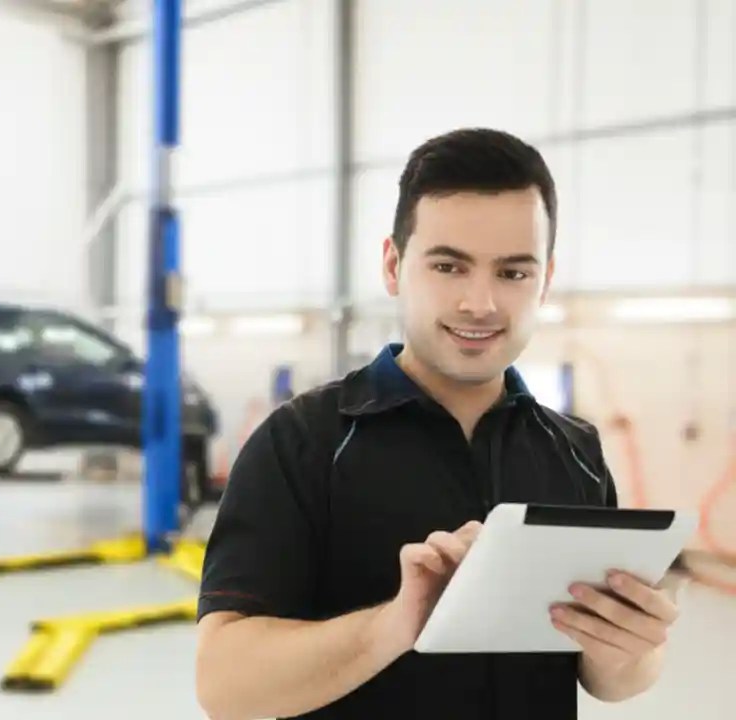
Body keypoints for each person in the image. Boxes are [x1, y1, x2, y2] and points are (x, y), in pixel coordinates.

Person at [194, 128, 682, 720]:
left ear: (545, 280)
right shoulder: (304, 442)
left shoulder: (575, 450)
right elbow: (225, 687)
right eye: (450, 266)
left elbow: (607, 680)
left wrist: (631, 647)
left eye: (513, 273)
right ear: (394, 266)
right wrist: (399, 623)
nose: (481, 303)